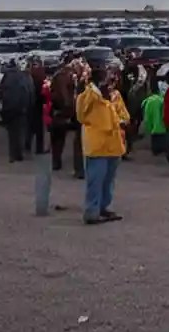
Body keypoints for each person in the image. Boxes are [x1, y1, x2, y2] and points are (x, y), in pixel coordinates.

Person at [77, 66, 129, 225]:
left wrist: (122, 121)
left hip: (113, 145)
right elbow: (80, 115)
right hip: (97, 145)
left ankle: (103, 208)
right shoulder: (88, 96)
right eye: (106, 78)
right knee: (95, 179)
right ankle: (91, 212)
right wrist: (94, 90)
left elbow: (125, 115)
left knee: (108, 180)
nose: (109, 81)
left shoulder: (115, 96)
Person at [49, 60, 86, 179]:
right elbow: (66, 94)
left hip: (58, 109)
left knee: (57, 137)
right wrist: (69, 107)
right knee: (60, 136)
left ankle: (56, 161)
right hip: (62, 110)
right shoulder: (66, 77)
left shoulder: (60, 75)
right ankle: (57, 162)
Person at [0, 59, 35, 163]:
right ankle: (19, 153)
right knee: (20, 130)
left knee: (11, 133)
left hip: (9, 108)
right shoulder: (22, 76)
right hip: (21, 107)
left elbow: (1, 91)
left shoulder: (6, 77)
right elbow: (29, 90)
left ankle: (12, 154)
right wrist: (29, 104)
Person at [24, 57, 48, 155]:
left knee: (30, 126)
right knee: (39, 129)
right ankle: (39, 148)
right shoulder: (40, 76)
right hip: (38, 104)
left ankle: (27, 145)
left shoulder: (28, 75)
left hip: (29, 104)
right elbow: (44, 91)